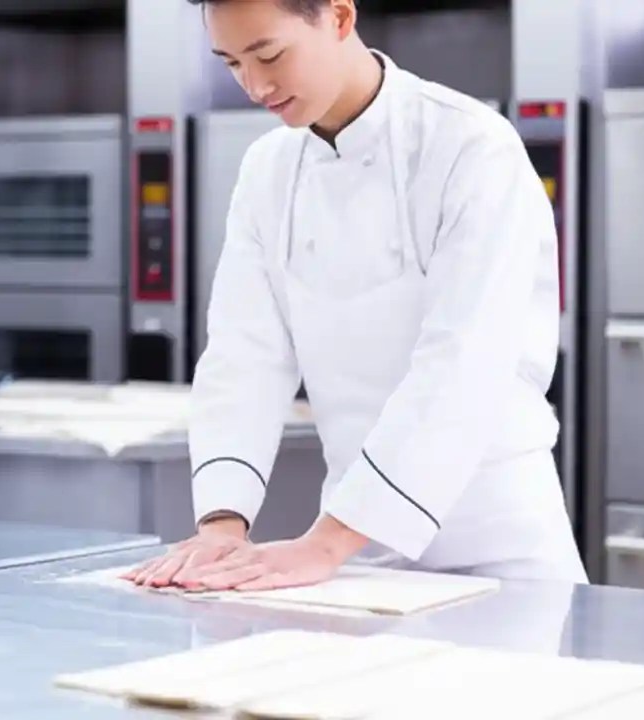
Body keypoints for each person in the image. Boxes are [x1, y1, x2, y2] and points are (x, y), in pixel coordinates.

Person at [126, 0, 585, 590]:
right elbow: (244, 356)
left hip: (498, 549)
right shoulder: (267, 169)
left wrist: (327, 542)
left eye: (270, 55)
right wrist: (222, 522)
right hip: (357, 552)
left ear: (340, 17)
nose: (255, 86)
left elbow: (464, 365)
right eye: (232, 63)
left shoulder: (471, 146)